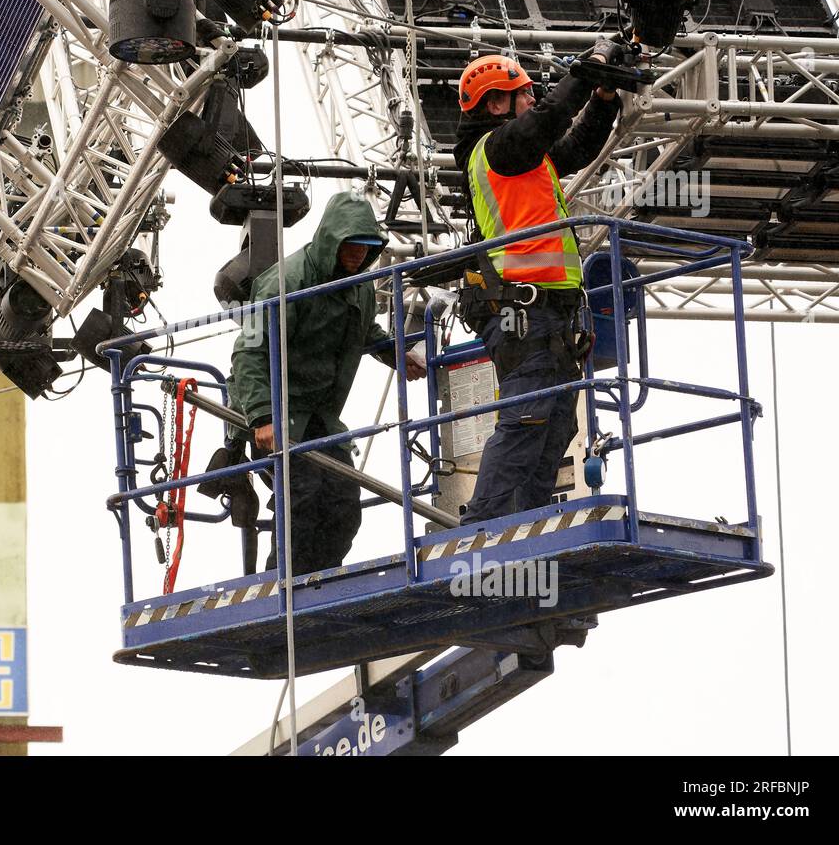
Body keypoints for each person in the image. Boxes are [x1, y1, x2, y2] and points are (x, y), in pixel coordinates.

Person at [452, 44, 624, 525]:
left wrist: (605, 96)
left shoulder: (526, 157)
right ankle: (483, 528)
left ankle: (524, 521)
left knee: (555, 423)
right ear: (495, 105)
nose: (533, 99)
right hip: (521, 312)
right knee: (527, 418)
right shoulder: (498, 149)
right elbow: (547, 121)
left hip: (548, 315)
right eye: (523, 94)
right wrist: (583, 73)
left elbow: (577, 143)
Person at [227, 192, 425, 576]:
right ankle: (281, 588)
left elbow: (365, 329)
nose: (356, 257)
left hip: (320, 417)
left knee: (343, 505)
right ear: (332, 241)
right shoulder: (284, 284)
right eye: (350, 247)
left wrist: (394, 354)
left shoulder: (359, 287)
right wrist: (263, 417)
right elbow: (248, 354)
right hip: (276, 412)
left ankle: (323, 580)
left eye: (365, 250)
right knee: (302, 496)